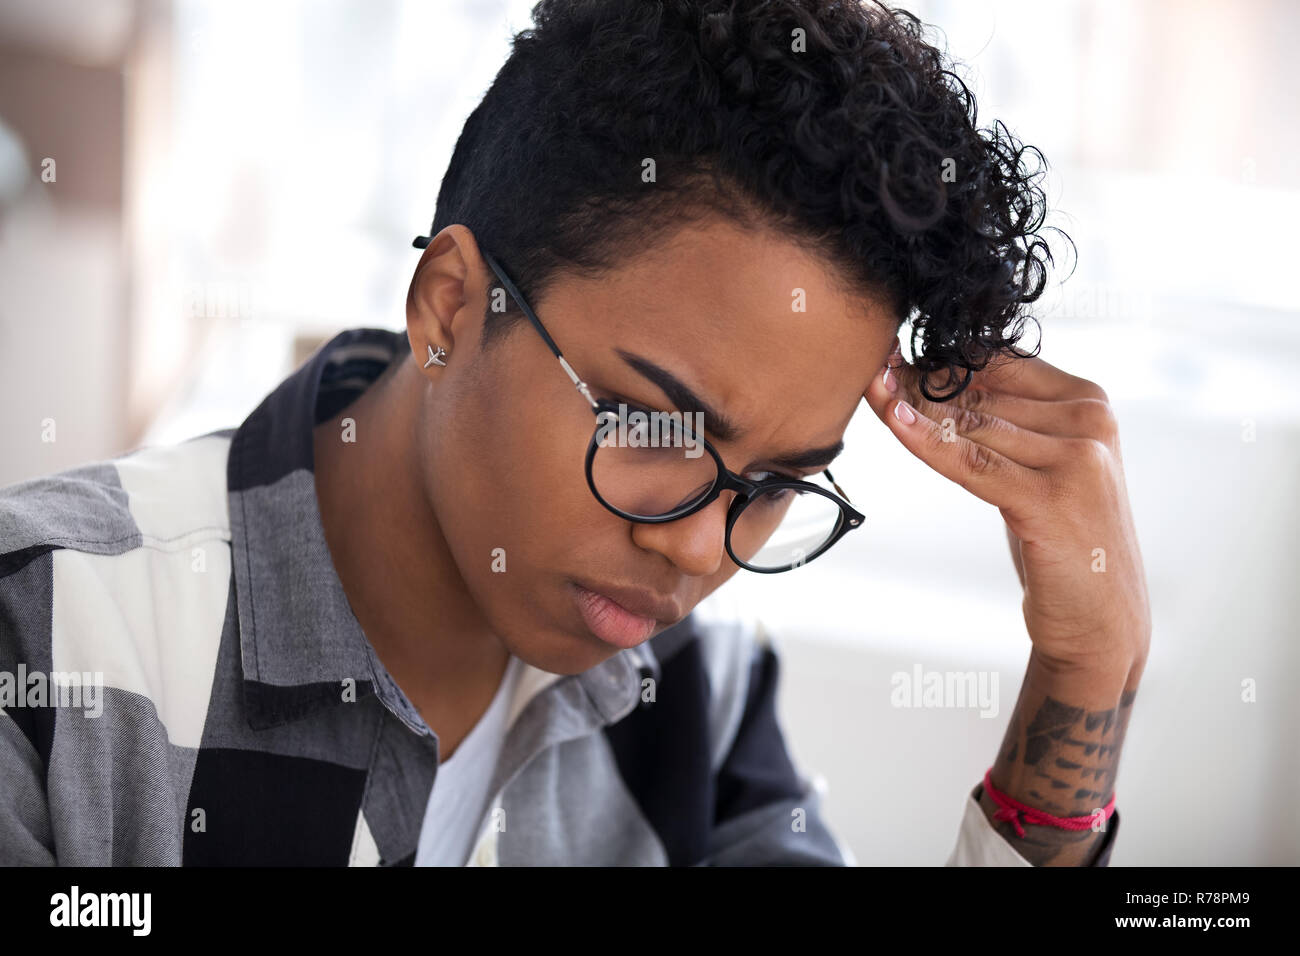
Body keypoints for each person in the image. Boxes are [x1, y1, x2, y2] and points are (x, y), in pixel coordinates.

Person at [0, 0, 1148, 865]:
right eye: (652, 422)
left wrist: (1082, 673)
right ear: (449, 306)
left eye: (773, 483)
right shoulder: (43, 647)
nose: (696, 550)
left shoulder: (694, 700)